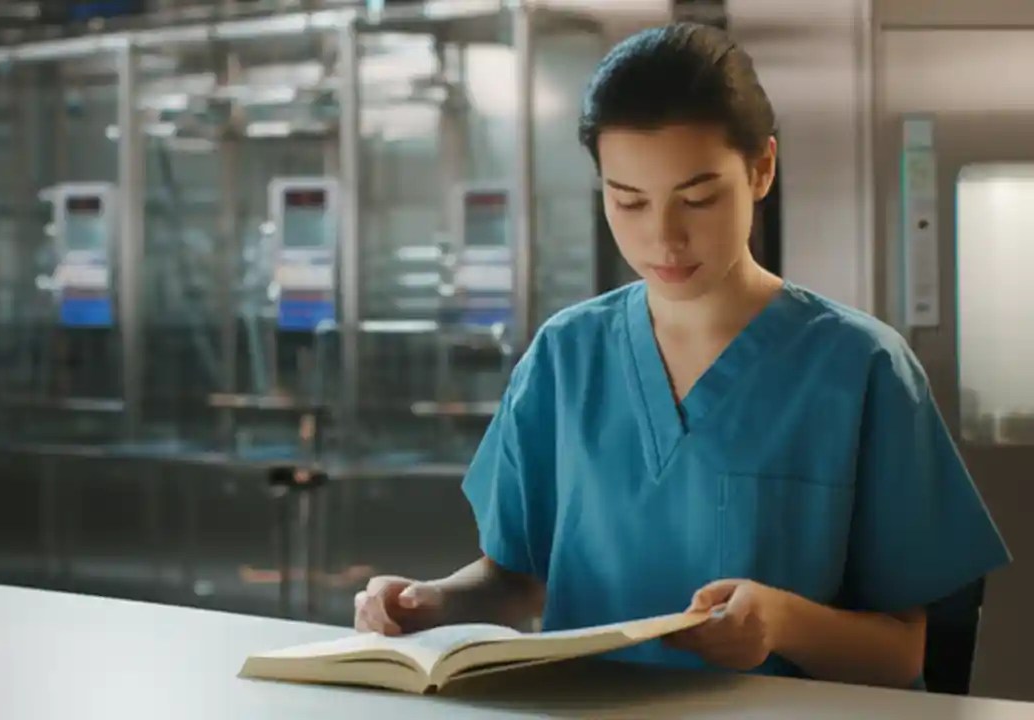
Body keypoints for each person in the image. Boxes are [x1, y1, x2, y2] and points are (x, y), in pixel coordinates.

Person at [353, 22, 1010, 688]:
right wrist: (429, 603)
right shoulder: (566, 357)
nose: (662, 237)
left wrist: (783, 624)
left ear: (762, 170)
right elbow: (517, 579)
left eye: (697, 198)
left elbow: (904, 654)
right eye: (628, 200)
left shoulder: (858, 368)